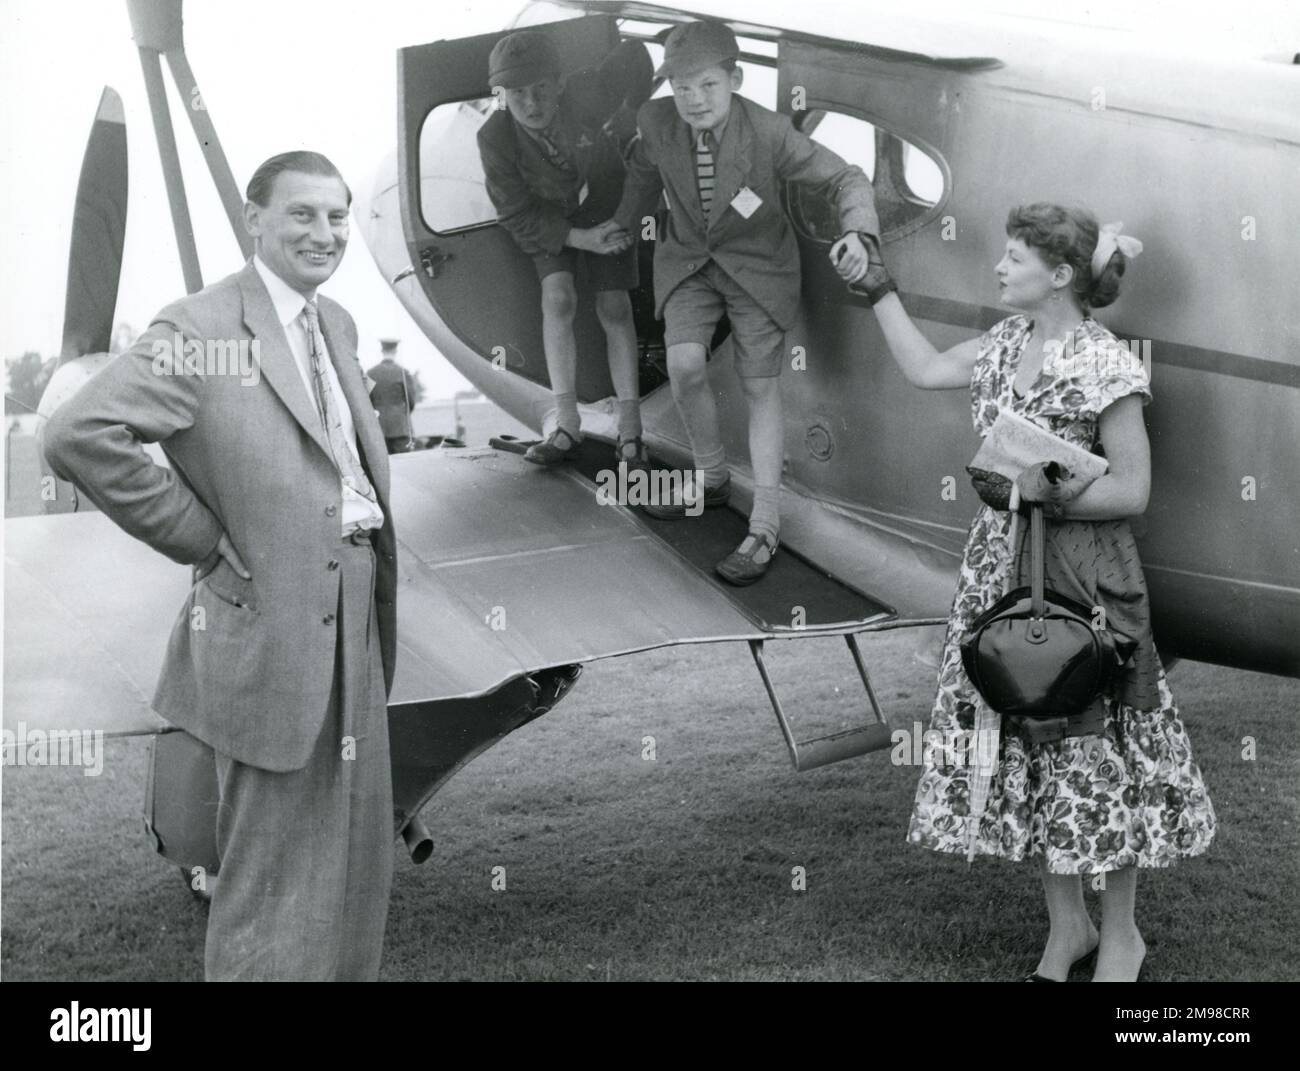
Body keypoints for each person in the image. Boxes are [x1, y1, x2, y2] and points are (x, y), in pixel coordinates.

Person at [43, 151, 399, 981]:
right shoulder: (200, 328)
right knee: (273, 882)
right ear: (255, 220)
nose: (324, 232)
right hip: (267, 622)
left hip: (357, 609)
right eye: (302, 214)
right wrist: (200, 537)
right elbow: (77, 435)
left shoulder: (335, 323)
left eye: (338, 217)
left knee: (356, 863)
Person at [860, 202, 1215, 982]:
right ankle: (1068, 929)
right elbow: (923, 369)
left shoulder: (1106, 363)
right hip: (1000, 572)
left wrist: (1040, 496)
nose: (1000, 266)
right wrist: (877, 288)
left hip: (1083, 576)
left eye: (1015, 256)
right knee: (1028, 735)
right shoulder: (1002, 344)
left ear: (1058, 276)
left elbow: (1134, 488)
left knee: (1097, 745)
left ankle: (1122, 935)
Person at [607, 19, 879, 585]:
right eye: (680, 87)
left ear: (735, 77)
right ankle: (710, 479)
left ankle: (765, 522)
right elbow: (639, 172)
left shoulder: (770, 132)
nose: (693, 99)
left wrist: (859, 232)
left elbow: (846, 177)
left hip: (758, 269)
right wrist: (622, 223)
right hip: (689, 262)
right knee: (683, 365)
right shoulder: (655, 122)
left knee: (760, 385)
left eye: (706, 84)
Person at [477, 31, 653, 467]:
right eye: (518, 94)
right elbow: (515, 213)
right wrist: (578, 240)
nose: (532, 104)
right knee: (558, 299)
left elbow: (634, 54)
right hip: (548, 221)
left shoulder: (589, 91)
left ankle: (631, 432)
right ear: (501, 95)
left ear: (560, 83)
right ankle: (567, 425)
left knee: (614, 306)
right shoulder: (494, 138)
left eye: (541, 90)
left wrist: (631, 115)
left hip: (604, 209)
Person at [368, 337, 416, 453]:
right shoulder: (403, 373)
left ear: (381, 351)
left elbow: (367, 401)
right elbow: (411, 401)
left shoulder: (371, 373)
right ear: (395, 351)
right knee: (404, 466)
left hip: (378, 429)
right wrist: (401, 414)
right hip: (400, 428)